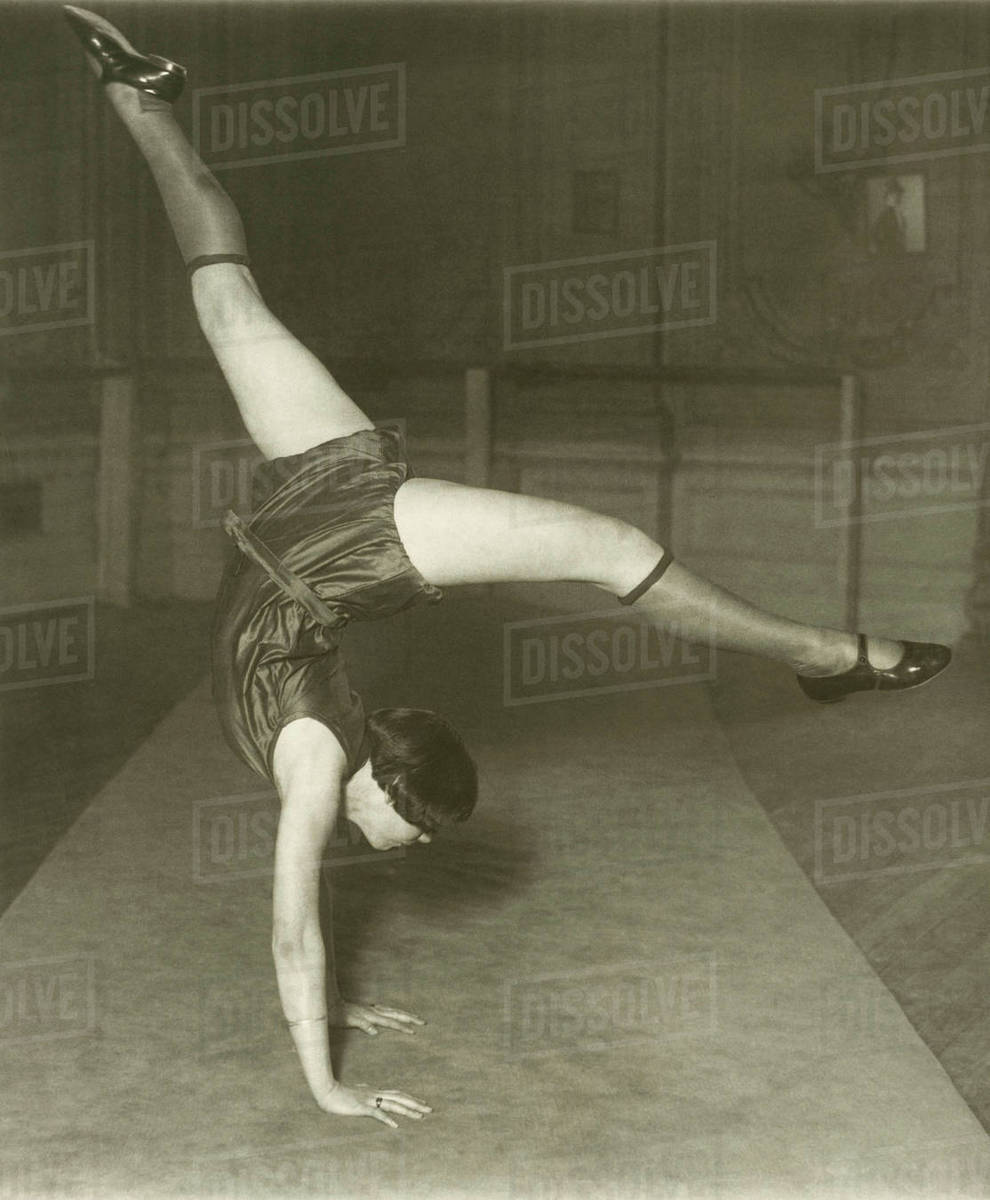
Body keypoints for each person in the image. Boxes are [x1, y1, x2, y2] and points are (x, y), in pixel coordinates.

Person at [64, 6, 951, 1127]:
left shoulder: (319, 765)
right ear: (382, 786)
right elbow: (299, 923)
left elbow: (295, 919)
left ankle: (135, 98)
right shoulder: (322, 759)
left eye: (419, 835)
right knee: (608, 547)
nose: (402, 851)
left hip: (315, 515)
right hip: (345, 532)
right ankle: (826, 650)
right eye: (416, 832)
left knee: (224, 295)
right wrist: (328, 1074)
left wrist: (333, 1032)